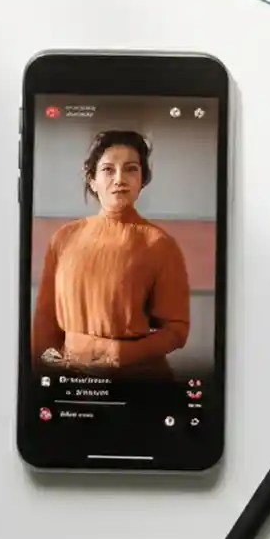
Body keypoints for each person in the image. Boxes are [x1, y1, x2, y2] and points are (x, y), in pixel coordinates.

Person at [32, 130, 190, 378]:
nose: (120, 179)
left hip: (138, 384)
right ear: (92, 180)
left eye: (131, 169)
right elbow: (45, 321)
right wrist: (41, 378)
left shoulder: (160, 244)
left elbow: (177, 330)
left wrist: (118, 353)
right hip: (71, 380)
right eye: (108, 169)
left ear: (142, 180)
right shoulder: (64, 238)